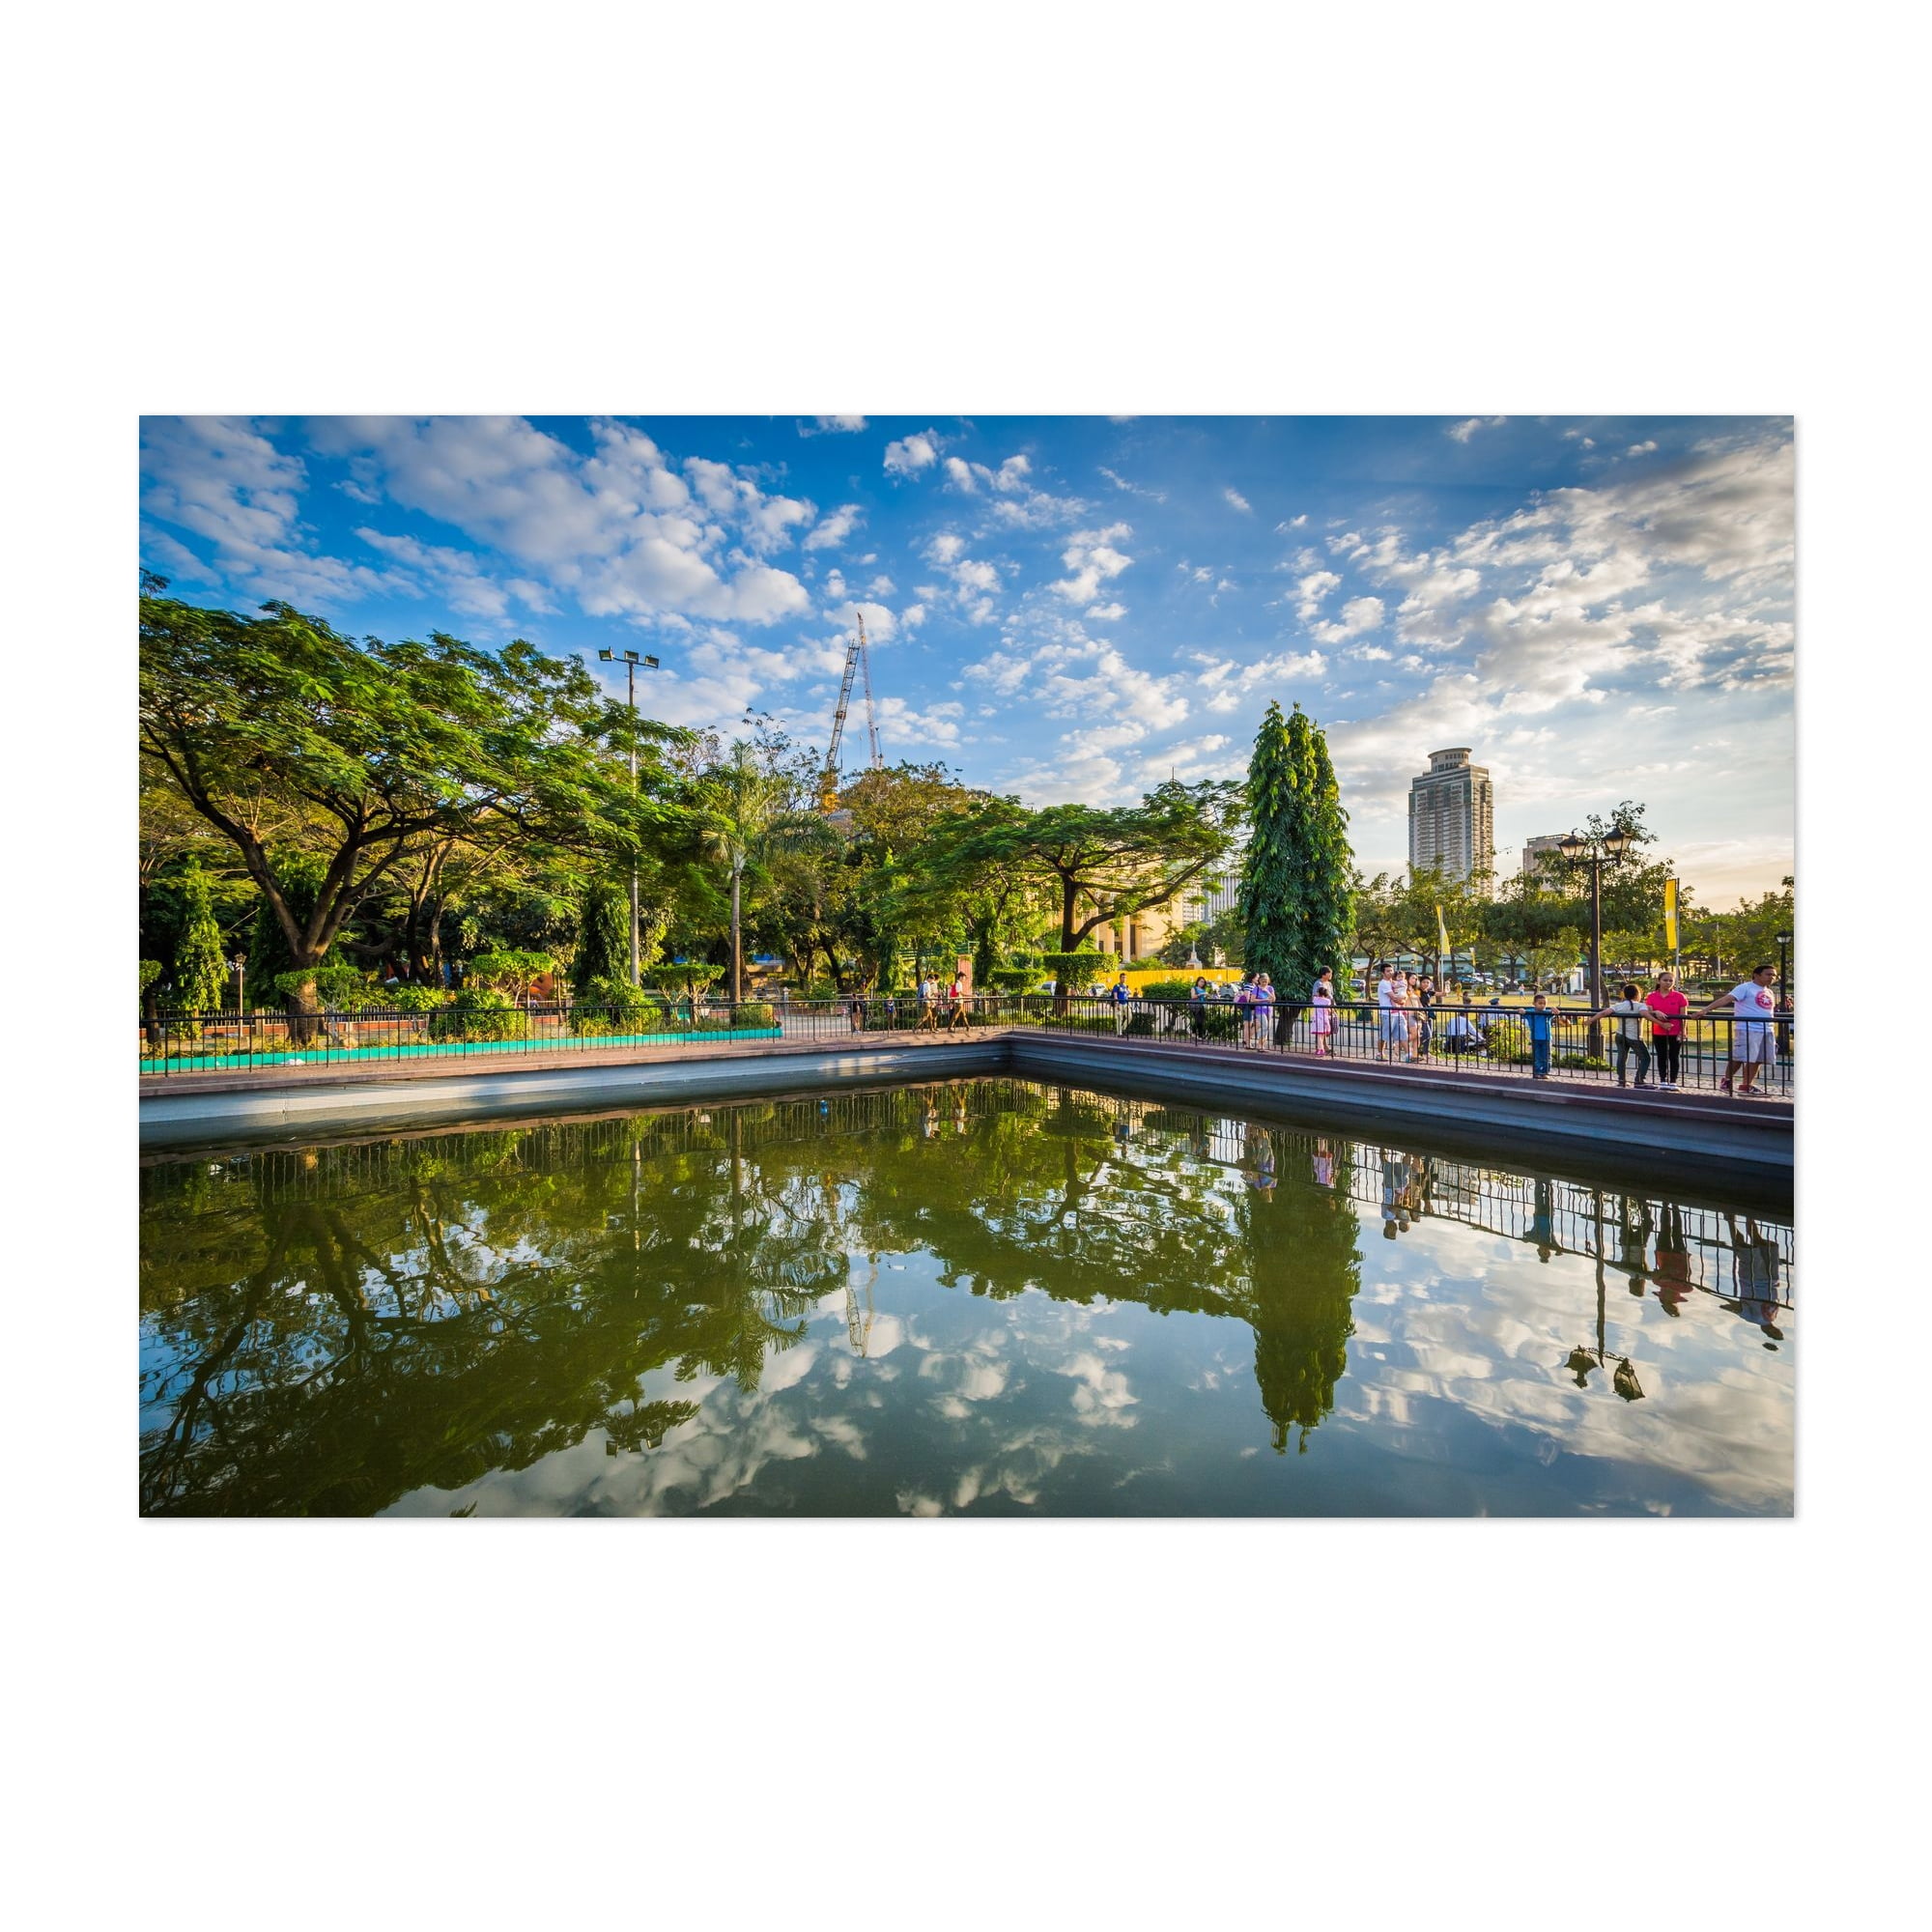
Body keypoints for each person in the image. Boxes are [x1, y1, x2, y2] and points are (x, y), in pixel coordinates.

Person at [1706, 963, 1777, 1095]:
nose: (1771, 977)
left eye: (1774, 975)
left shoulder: (1769, 991)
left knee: (1757, 1059)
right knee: (1740, 1056)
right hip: (1748, 1029)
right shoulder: (1745, 988)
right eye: (1768, 974)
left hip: (1766, 1029)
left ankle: (1746, 1085)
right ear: (1757, 975)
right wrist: (1706, 1010)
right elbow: (1726, 999)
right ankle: (1726, 1081)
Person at [1644, 972, 1689, 1090]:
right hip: (1658, 1031)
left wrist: (1683, 1030)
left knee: (1674, 1056)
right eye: (1665, 980)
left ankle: (1673, 1081)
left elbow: (1684, 1015)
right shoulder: (1652, 996)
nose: (1668, 983)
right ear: (1659, 981)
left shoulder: (1680, 996)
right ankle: (1663, 1080)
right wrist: (1655, 1012)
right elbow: (1648, 1012)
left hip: (1675, 1031)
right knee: (1661, 1056)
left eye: (1670, 980)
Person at [1604, 981, 1652, 1089]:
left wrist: (1591, 1020)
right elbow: (1646, 1014)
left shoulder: (1618, 1005)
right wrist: (1661, 1023)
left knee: (1621, 1057)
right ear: (1637, 994)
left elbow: (1604, 1013)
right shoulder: (1640, 1006)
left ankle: (1622, 1080)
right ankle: (1639, 1080)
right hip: (1634, 1036)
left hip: (1620, 1035)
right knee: (1646, 1058)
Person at [1524, 992, 1555, 1079]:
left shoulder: (1547, 1014)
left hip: (1546, 1038)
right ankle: (1537, 1072)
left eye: (1544, 1004)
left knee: (1547, 1056)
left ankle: (1545, 1072)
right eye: (1540, 1003)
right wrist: (1521, 1010)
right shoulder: (1530, 1013)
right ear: (1534, 1003)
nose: (1542, 1005)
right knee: (1537, 1056)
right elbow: (1522, 1011)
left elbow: (1554, 1013)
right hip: (1535, 1038)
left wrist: (1554, 1010)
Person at [1310, 968, 1335, 1056]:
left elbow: (1332, 996)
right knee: (1321, 1029)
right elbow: (1315, 995)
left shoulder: (1330, 984)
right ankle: (1323, 1047)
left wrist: (1333, 1007)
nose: (1331, 975)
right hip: (1321, 1010)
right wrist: (1324, 999)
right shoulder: (1318, 983)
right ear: (1324, 974)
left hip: (1328, 1008)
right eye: (1329, 973)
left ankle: (1322, 1046)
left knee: (1326, 1029)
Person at [1249, 971, 1276, 1047]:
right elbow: (1252, 1000)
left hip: (1269, 1010)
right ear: (1259, 981)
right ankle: (1259, 1043)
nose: (1264, 983)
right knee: (1265, 1026)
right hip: (1259, 1010)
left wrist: (1267, 991)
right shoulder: (1256, 989)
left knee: (1267, 1028)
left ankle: (1261, 1044)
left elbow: (1273, 999)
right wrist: (1264, 1000)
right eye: (1263, 981)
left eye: (1266, 982)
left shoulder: (1270, 988)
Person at [1109, 971, 1132, 1035]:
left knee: (1130, 1017)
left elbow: (1130, 993)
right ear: (1120, 978)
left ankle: (1122, 1028)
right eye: (1123, 978)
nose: (1124, 979)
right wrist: (1117, 1004)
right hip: (1119, 1004)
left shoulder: (1125, 986)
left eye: (1125, 978)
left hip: (1126, 1004)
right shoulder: (1116, 986)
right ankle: (1119, 1033)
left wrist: (1128, 991)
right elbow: (1115, 996)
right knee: (1119, 1019)